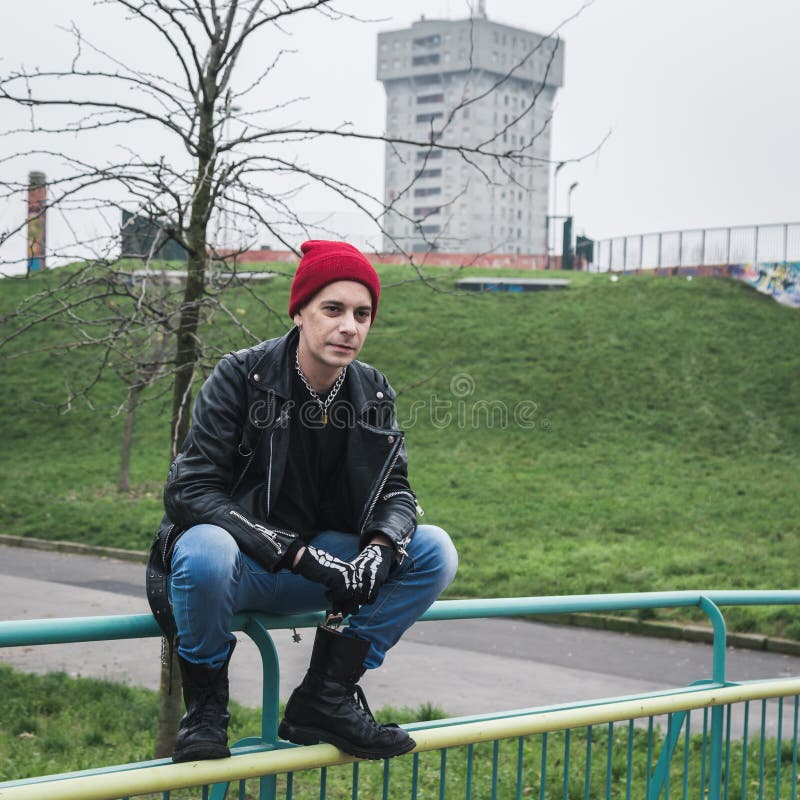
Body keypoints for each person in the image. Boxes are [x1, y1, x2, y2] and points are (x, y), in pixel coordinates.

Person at [146, 240, 458, 763]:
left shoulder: (372, 390)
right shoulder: (241, 375)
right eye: (332, 309)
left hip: (318, 568)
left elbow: (396, 490)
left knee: (433, 550)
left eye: (362, 314)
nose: (348, 327)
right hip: (234, 569)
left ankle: (326, 695)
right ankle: (204, 712)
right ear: (299, 312)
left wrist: (380, 547)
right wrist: (293, 553)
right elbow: (190, 489)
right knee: (205, 548)